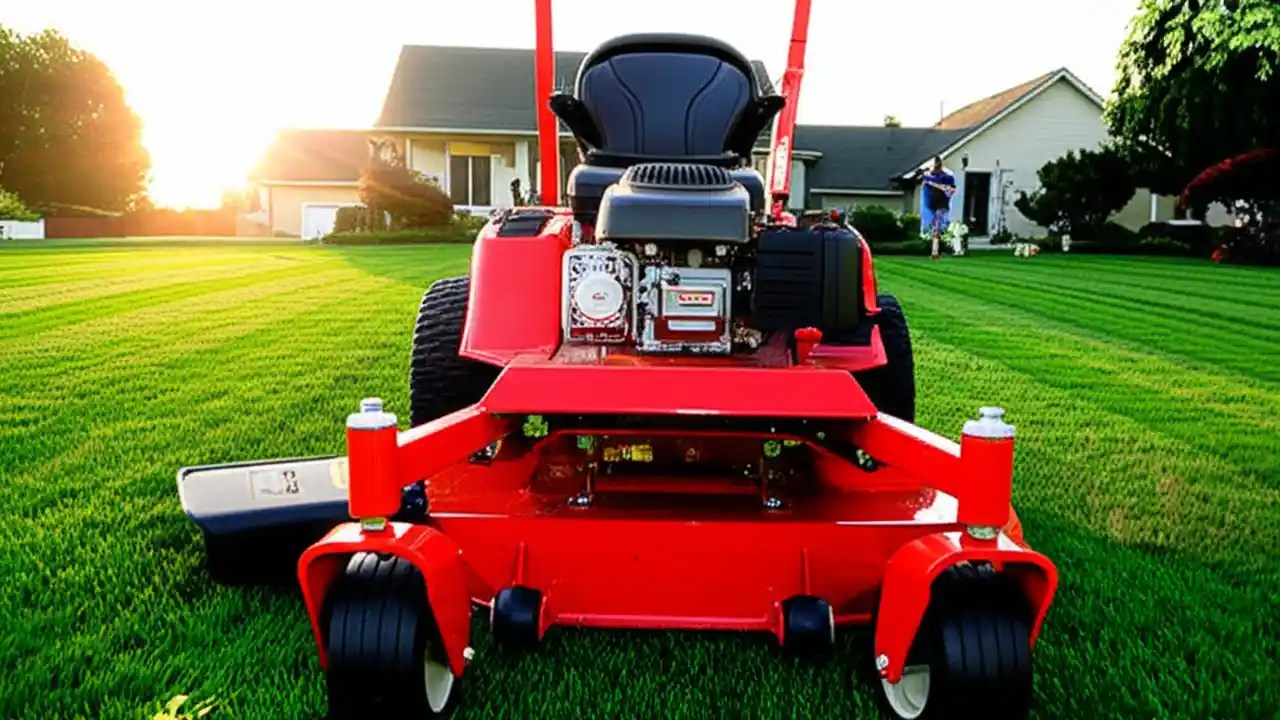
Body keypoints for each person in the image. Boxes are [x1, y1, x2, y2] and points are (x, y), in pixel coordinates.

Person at [921, 156, 956, 259]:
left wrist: (945, 190)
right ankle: (935, 250)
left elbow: (951, 189)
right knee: (934, 228)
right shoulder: (928, 176)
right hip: (932, 204)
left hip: (941, 204)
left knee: (937, 227)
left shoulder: (945, 177)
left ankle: (935, 251)